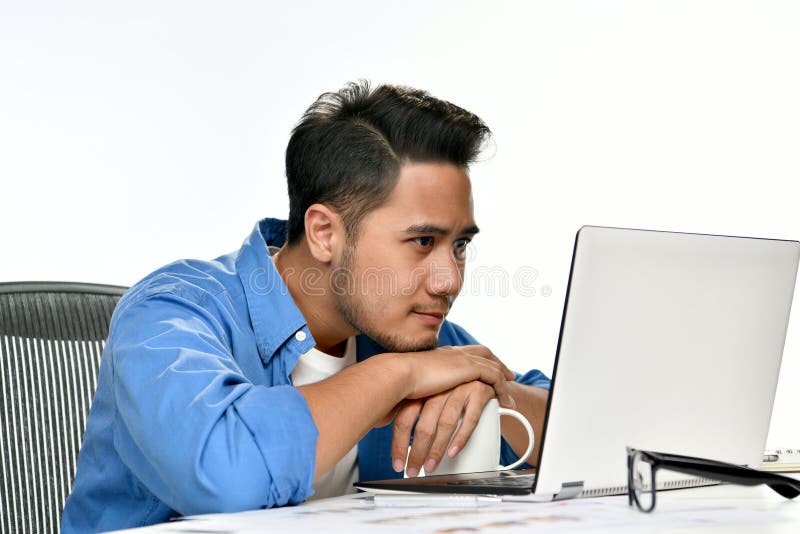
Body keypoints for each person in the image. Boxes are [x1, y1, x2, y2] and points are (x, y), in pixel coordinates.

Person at [61, 81, 551, 532]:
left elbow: (581, 426)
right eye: (423, 241)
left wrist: (493, 394)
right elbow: (225, 474)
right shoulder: (170, 312)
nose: (449, 279)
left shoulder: (408, 330)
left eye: (460, 245)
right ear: (324, 233)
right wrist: (395, 377)